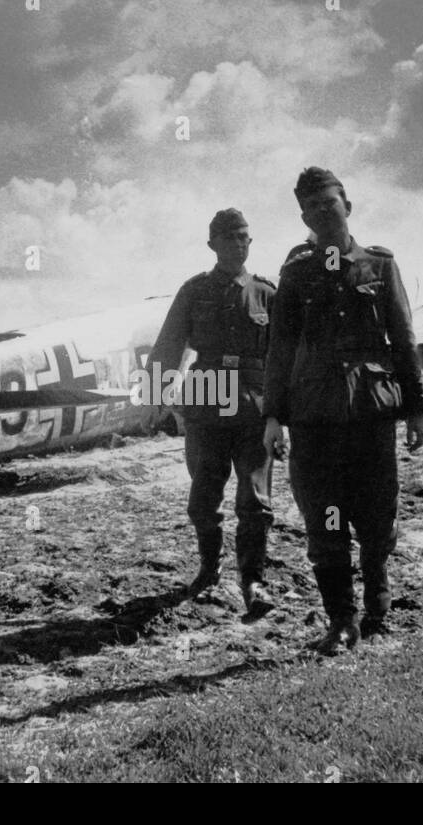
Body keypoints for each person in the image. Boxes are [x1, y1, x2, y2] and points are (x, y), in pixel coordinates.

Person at [263, 168, 423, 653]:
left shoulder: (379, 266)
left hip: (371, 413)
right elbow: (280, 349)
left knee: (377, 512)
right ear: (304, 217)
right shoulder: (295, 274)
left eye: (329, 203)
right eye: (312, 207)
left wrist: (418, 407)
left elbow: (404, 339)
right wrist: (274, 416)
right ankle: (342, 620)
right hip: (314, 416)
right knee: (325, 516)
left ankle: (377, 588)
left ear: (347, 207)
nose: (322, 212)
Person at [146, 208, 278, 619]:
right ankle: (209, 567)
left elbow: (283, 356)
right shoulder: (195, 291)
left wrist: (282, 413)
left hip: (254, 403)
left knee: (255, 499)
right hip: (208, 396)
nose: (239, 244)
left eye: (244, 237)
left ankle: (253, 581)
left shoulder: (267, 294)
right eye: (230, 238)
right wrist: (154, 393)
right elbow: (169, 344)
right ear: (213, 245)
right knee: (204, 495)